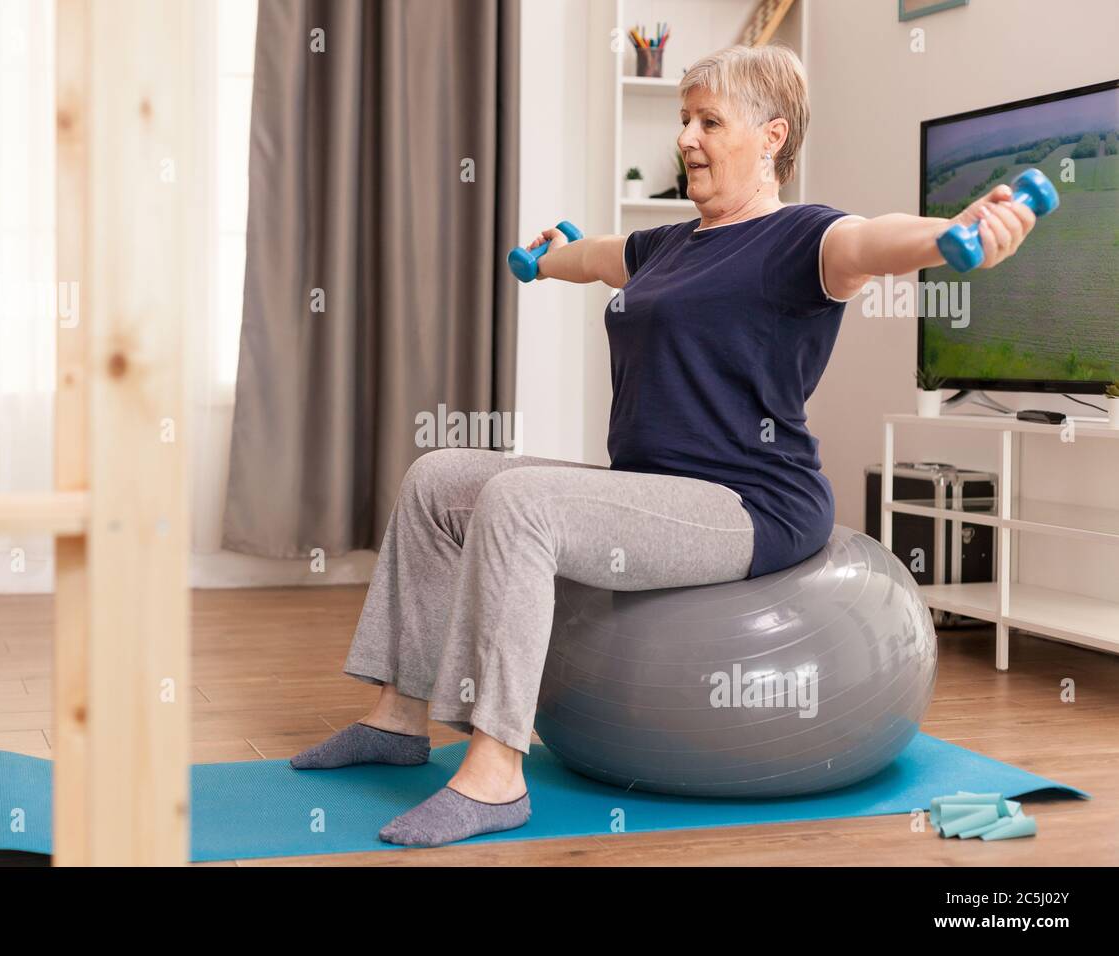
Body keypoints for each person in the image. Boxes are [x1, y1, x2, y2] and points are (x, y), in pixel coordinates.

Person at [290, 43, 1036, 848]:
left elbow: (873, 240)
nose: (687, 137)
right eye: (685, 119)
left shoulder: (802, 240)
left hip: (751, 503)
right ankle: (398, 720)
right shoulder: (670, 244)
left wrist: (953, 232)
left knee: (520, 502)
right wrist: (547, 259)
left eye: (709, 121)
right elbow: (597, 256)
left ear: (772, 136)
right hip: (656, 487)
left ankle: (497, 773)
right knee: (439, 477)